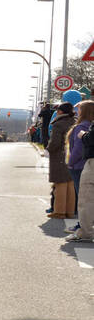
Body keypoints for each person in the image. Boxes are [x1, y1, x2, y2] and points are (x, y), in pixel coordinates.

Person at [65, 101, 94, 239]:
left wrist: (70, 163)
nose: (77, 112)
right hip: (84, 163)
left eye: (80, 109)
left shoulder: (81, 127)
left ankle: (84, 228)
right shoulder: (89, 125)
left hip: (79, 165)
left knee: (84, 199)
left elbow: (77, 148)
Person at [47, 102, 76, 219]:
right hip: (72, 155)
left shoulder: (58, 124)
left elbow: (55, 142)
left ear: (60, 111)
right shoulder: (74, 122)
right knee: (70, 184)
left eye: (57, 110)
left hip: (59, 156)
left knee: (60, 184)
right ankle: (69, 211)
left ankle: (59, 211)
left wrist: (49, 149)